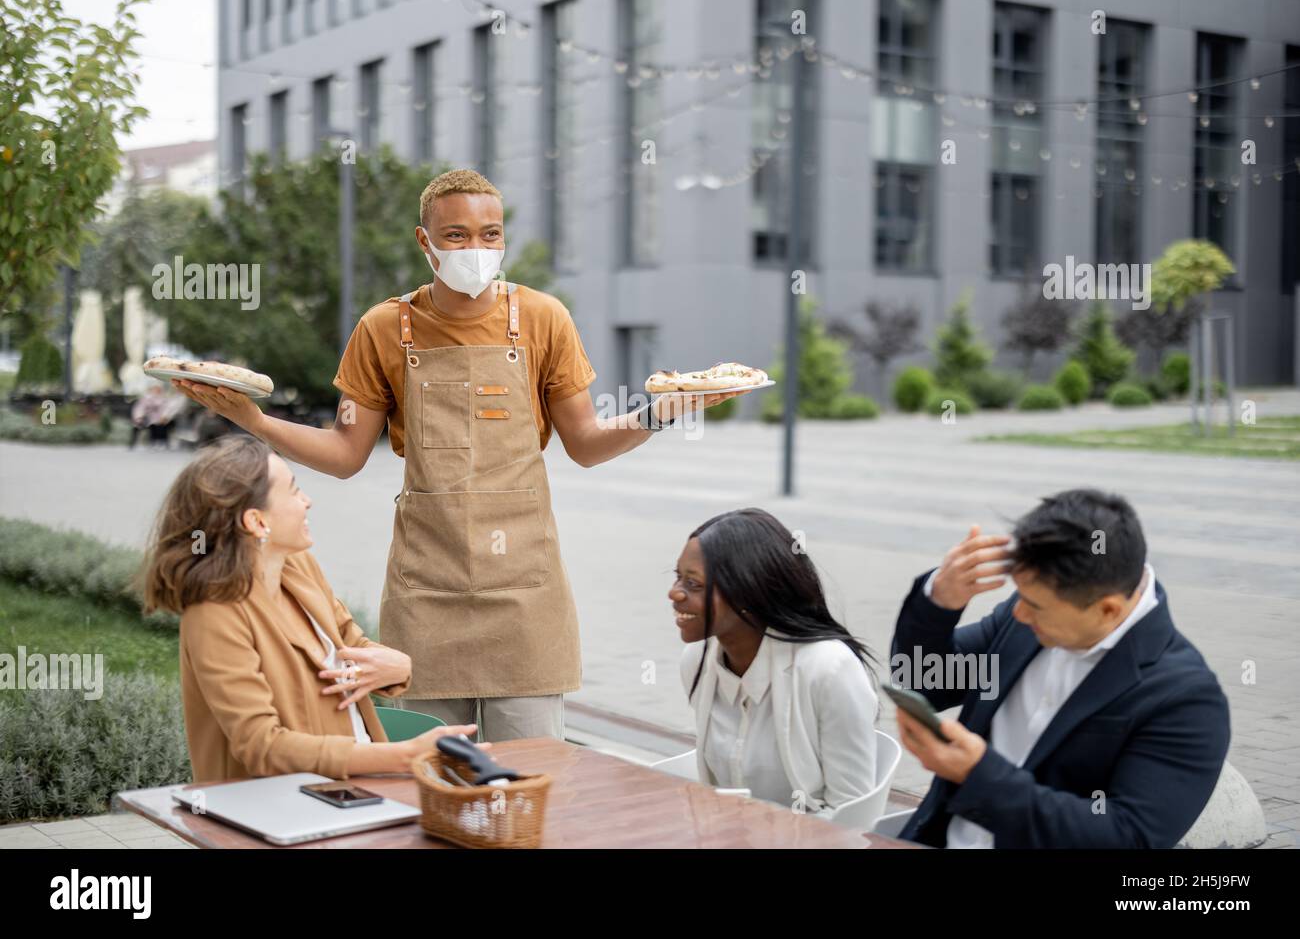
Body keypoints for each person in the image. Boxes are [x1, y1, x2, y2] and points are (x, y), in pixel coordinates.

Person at [169, 168, 749, 743]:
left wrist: (661, 411)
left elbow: (587, 444)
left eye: (490, 234)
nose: (476, 248)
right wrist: (256, 422)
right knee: (428, 776)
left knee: (530, 776)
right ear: (425, 242)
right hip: (427, 591)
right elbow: (346, 454)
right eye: (457, 235)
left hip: (525, 593)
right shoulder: (383, 329)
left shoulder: (545, 319)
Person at [890, 488, 1230, 848]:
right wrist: (939, 602)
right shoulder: (1027, 617)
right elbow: (926, 682)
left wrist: (979, 775)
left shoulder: (1186, 699)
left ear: (1108, 610)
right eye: (1019, 595)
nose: (1019, 612)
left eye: (1035, 605)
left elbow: (1127, 837)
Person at [140, 434, 481, 783]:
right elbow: (262, 746)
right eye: (292, 490)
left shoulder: (298, 565)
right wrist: (404, 756)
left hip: (353, 790)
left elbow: (353, 645)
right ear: (257, 522)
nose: (307, 501)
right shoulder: (214, 615)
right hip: (276, 813)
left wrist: (400, 666)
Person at [671, 509, 880, 815]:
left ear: (747, 592)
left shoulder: (829, 668)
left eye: (695, 584)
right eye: (678, 578)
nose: (674, 593)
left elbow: (853, 813)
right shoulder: (697, 662)